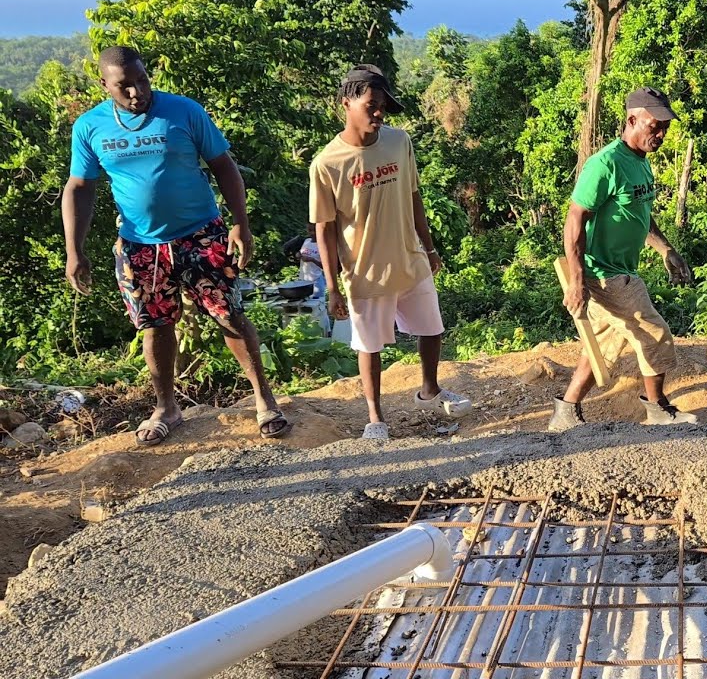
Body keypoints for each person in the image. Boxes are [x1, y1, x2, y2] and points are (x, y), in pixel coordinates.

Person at [61, 46, 290, 446]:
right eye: (124, 86)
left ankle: (264, 400)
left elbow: (224, 166)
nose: (136, 92)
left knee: (229, 314)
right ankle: (167, 407)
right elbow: (80, 188)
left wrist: (240, 224)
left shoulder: (183, 111)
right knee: (155, 325)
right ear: (104, 85)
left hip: (201, 234)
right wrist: (74, 250)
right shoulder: (90, 127)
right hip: (140, 246)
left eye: (141, 80)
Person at [309, 64, 471, 440]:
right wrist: (333, 286)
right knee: (370, 346)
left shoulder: (399, 143)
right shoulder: (327, 164)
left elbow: (414, 197)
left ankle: (429, 390)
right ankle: (375, 418)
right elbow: (325, 228)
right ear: (346, 102)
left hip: (409, 258)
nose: (379, 113)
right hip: (365, 271)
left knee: (432, 328)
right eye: (372, 105)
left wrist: (429, 247)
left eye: (383, 106)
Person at [548, 87, 696, 431]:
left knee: (601, 344)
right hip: (604, 273)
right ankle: (657, 409)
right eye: (653, 126)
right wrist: (577, 280)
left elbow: (640, 215)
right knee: (654, 332)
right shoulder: (605, 164)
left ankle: (565, 412)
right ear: (632, 119)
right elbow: (574, 219)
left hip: (620, 268)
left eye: (664, 129)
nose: (659, 134)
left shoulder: (641, 165)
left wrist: (666, 250)